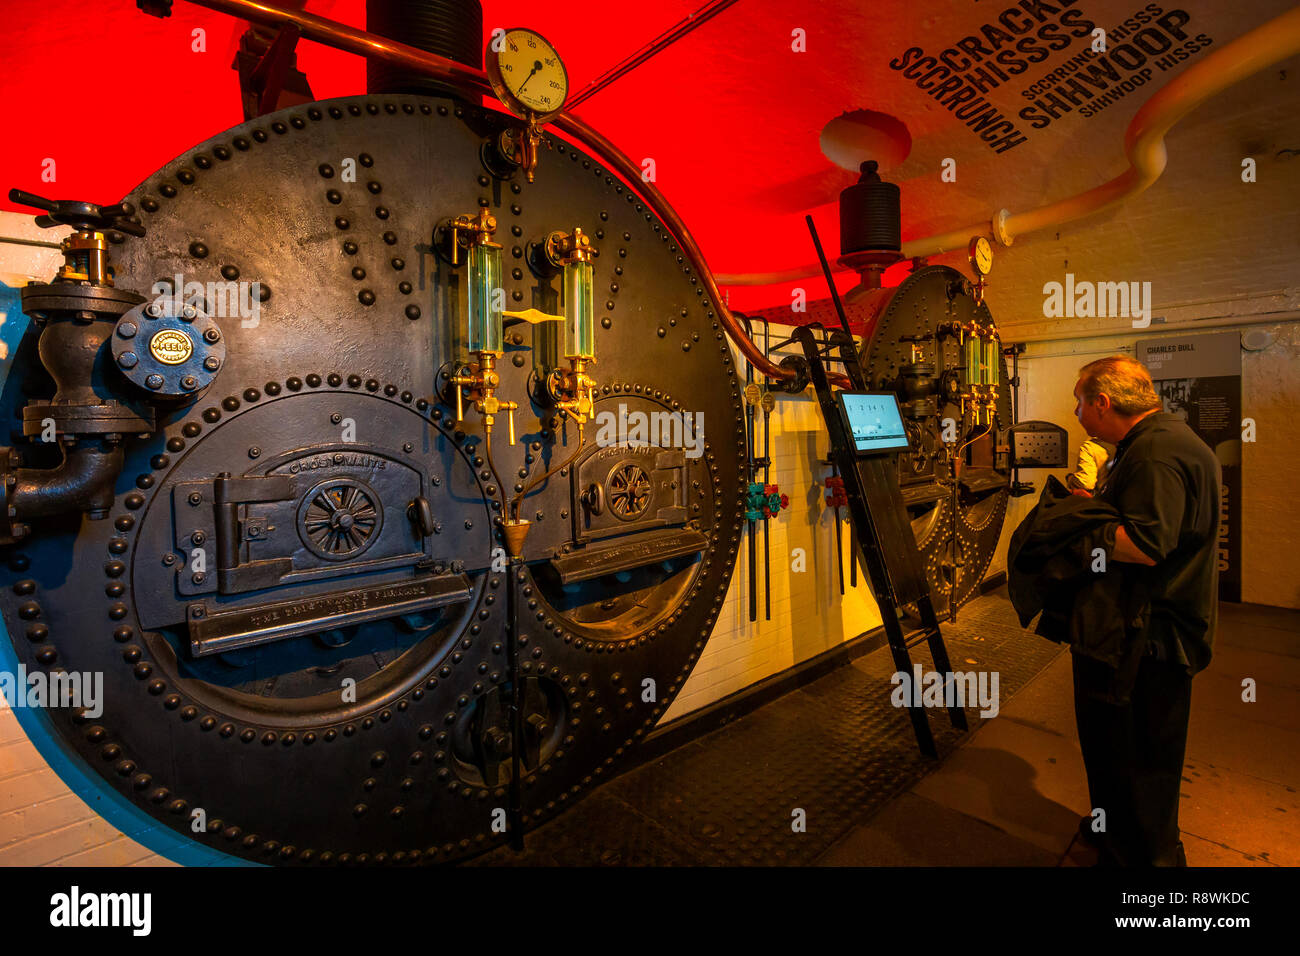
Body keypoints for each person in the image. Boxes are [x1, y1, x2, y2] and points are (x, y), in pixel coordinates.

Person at [1070, 355, 1221, 866]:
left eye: (1080, 402)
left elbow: (1147, 543)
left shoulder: (1154, 454)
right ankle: (1118, 834)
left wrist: (1076, 526)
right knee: (1128, 753)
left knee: (1136, 754)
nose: (1076, 412)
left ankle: (1149, 863)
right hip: (1147, 630)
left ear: (1103, 403)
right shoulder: (1161, 441)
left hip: (1147, 639)